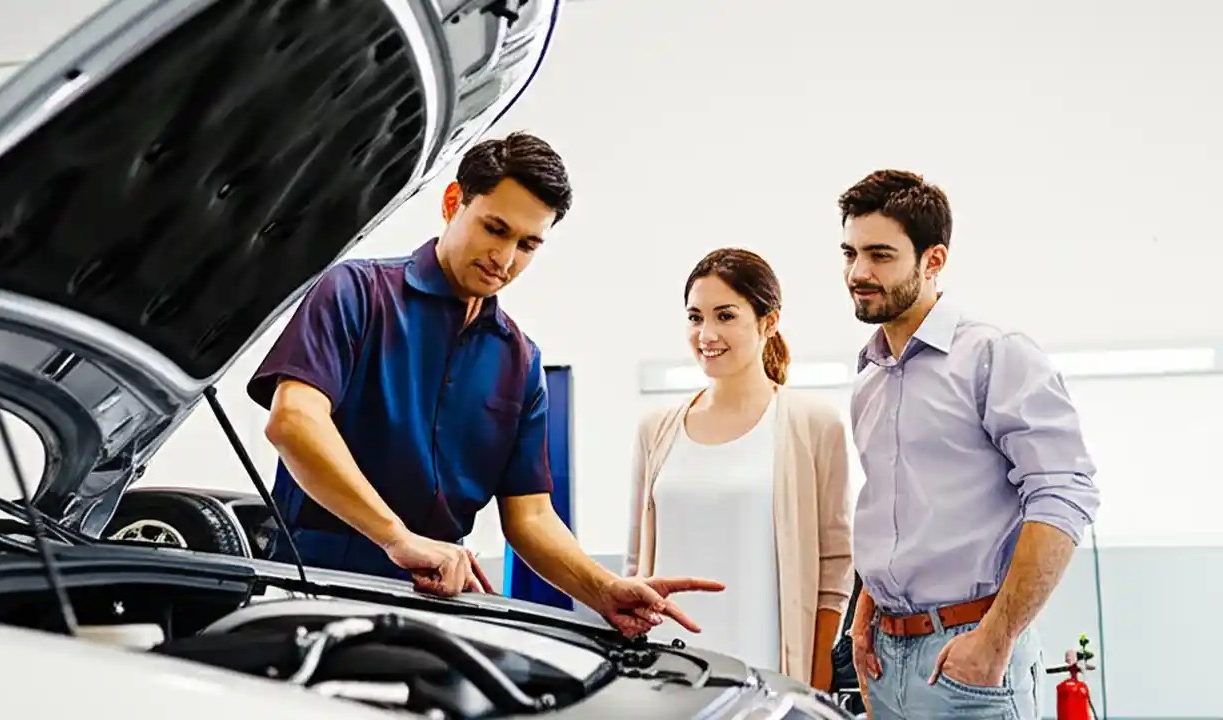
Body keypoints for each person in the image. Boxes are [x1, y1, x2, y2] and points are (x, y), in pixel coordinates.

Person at [246, 131, 723, 638]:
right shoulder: (355, 292)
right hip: (313, 592)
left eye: (528, 244)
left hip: (437, 606)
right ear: (453, 203)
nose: (505, 257)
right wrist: (397, 537)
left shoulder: (520, 360)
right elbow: (294, 422)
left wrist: (601, 589)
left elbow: (531, 517)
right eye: (495, 229)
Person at [839, 169, 1101, 719]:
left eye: (880, 255)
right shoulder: (869, 377)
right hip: (884, 659)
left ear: (933, 261)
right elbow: (900, 514)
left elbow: (1065, 494)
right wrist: (867, 609)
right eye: (850, 253)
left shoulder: (993, 356)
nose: (858, 272)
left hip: (970, 662)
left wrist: (996, 639)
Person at [624, 248, 854, 688]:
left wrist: (815, 686)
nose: (706, 333)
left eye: (725, 316)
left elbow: (835, 567)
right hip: (669, 674)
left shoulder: (813, 423)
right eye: (695, 317)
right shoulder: (656, 430)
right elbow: (636, 564)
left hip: (768, 675)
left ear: (769, 322)